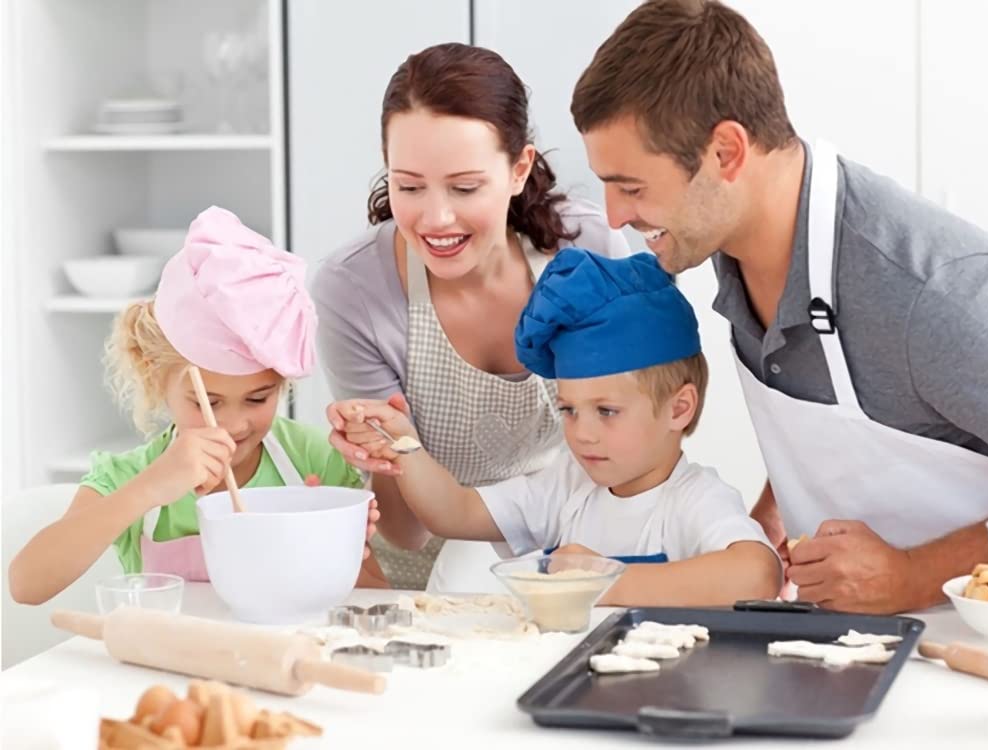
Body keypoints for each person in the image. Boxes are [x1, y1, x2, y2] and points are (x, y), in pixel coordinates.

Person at [569, 0, 988, 613]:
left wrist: (912, 574)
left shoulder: (931, 290)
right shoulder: (725, 243)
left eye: (631, 187)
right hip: (855, 645)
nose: (613, 216)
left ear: (725, 153)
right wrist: (776, 508)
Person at [316, 43, 631, 593]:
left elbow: (641, 441)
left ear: (518, 169)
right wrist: (383, 450)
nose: (435, 218)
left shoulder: (594, 251)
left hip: (583, 554)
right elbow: (405, 531)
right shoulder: (353, 291)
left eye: (465, 188)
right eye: (408, 186)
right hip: (429, 581)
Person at [337, 249, 780, 606]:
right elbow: (455, 511)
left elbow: (757, 574)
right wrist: (401, 442)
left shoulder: (695, 500)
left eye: (606, 411)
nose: (582, 433)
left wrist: (607, 582)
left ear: (678, 409)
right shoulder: (568, 487)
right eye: (569, 410)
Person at [8, 207, 383, 605]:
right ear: (155, 376)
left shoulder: (314, 460)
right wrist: (149, 488)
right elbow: (26, 584)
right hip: (162, 663)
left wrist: (330, 546)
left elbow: (379, 598)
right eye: (209, 401)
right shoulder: (131, 474)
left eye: (259, 398)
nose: (234, 424)